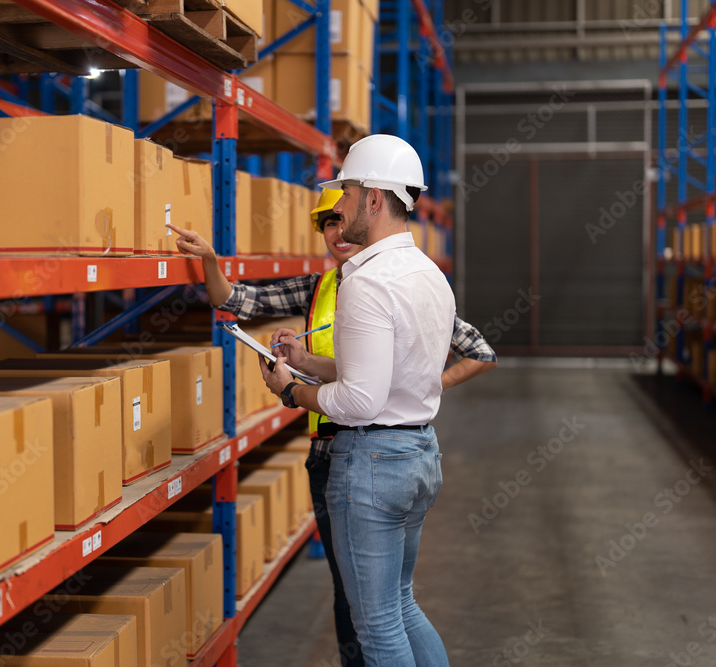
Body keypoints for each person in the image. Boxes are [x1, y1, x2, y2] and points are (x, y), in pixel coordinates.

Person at [169, 177, 495, 666]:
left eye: (343, 211)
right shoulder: (415, 274)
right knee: (391, 605)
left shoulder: (369, 282)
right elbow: (241, 303)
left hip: (369, 457)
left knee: (377, 619)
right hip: (392, 451)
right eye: (329, 221)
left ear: (373, 203)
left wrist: (292, 391)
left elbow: (365, 397)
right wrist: (307, 360)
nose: (337, 229)